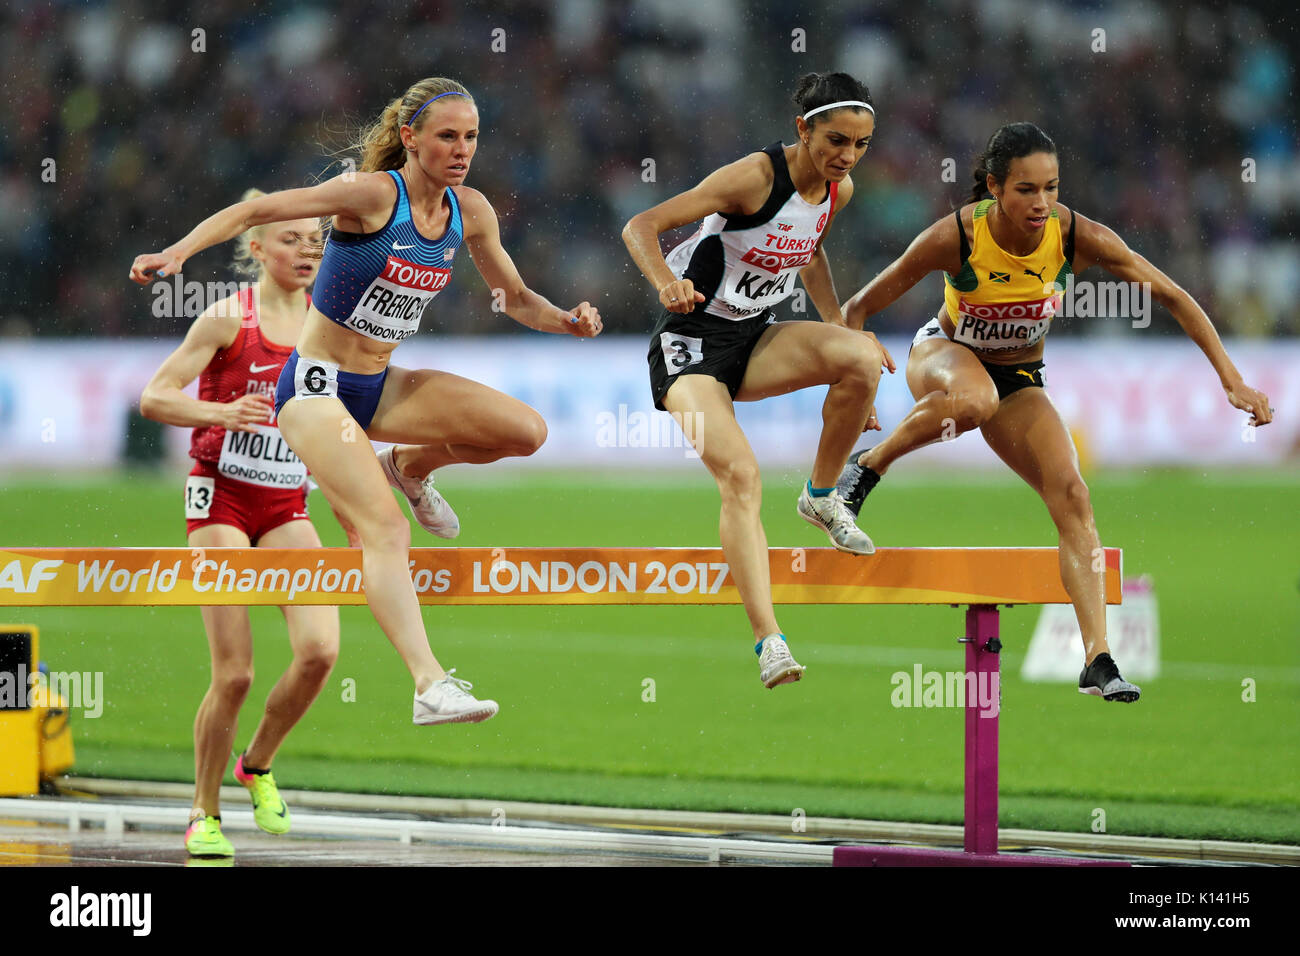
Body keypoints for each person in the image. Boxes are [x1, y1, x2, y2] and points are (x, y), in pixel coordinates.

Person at [131, 77, 603, 729]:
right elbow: (255, 213)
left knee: (525, 430)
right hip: (315, 388)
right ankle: (428, 683)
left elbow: (515, 297)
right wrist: (178, 252)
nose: (462, 149)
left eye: (471, 137)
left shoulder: (473, 211)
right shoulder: (373, 197)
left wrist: (566, 321)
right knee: (384, 529)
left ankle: (407, 466)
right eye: (446, 136)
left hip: (379, 386)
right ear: (409, 138)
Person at [835, 122, 1274, 702]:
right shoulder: (956, 237)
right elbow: (857, 308)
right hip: (942, 355)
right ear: (993, 187)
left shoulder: (1075, 236)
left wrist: (1232, 378)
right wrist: (860, 390)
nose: (1041, 203)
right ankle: (865, 469)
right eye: (1025, 190)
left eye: (1051, 187)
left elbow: (1170, 294)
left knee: (1073, 495)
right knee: (974, 399)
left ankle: (1097, 658)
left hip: (1018, 378)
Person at [622, 72, 891, 690]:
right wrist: (665, 279)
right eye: (835, 141)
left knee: (861, 357)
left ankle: (822, 495)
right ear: (803, 129)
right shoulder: (753, 178)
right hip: (688, 345)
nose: (846, 158)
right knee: (741, 477)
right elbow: (641, 224)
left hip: (754, 339)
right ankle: (770, 640)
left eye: (860, 145)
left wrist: (839, 333)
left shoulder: (837, 190)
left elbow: (811, 251)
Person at [140, 199, 336, 858]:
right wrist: (220, 412)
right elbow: (155, 396)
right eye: (291, 239)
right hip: (219, 499)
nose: (308, 251)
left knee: (319, 652)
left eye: (315, 240)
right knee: (236, 675)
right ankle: (203, 811)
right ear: (256, 249)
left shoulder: (328, 327)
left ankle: (256, 763)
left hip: (285, 503)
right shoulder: (228, 317)